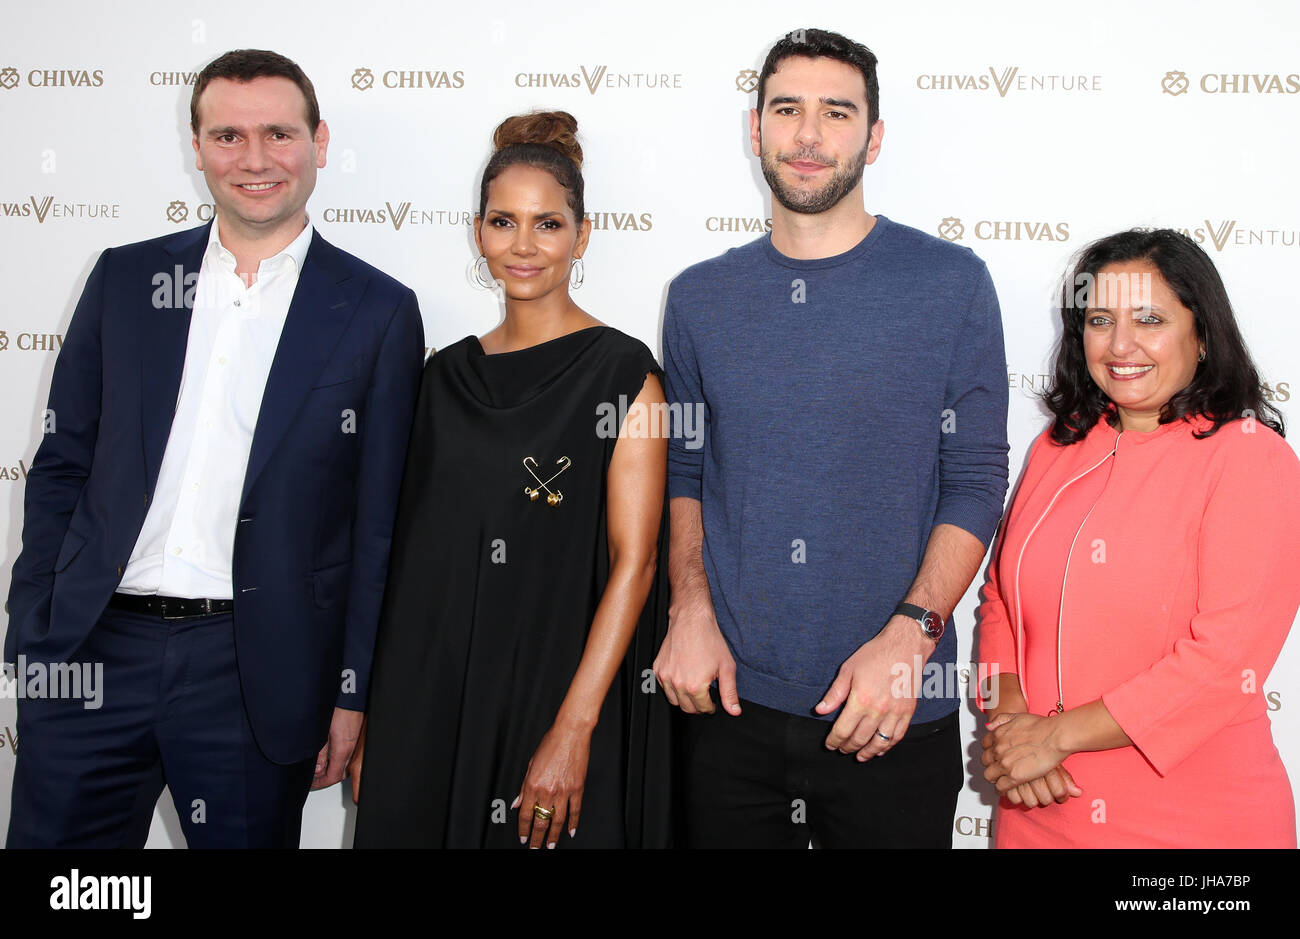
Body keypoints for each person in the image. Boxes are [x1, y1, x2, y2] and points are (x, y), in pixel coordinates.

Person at [3, 49, 425, 848]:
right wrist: (37, 629)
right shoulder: (125, 280)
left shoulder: (377, 311)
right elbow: (62, 464)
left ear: (320, 141)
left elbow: (376, 529)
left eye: (279, 133)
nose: (255, 159)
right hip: (93, 651)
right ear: (196, 148)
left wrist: (352, 691)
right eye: (228, 136)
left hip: (255, 672)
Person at [653, 29, 1009, 848]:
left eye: (836, 112)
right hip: (728, 703)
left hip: (893, 709)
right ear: (755, 130)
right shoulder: (701, 296)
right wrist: (691, 604)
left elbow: (976, 475)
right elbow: (686, 466)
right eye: (787, 110)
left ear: (874, 137)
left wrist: (911, 634)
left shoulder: (950, 283)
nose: (808, 136)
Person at [351, 111, 673, 849]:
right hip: (427, 703)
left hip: (551, 695)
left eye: (548, 224)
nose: (523, 245)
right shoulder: (441, 377)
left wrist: (573, 727)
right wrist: (378, 716)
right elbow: (410, 564)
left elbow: (638, 563)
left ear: (582, 236)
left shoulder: (629, 378)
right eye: (504, 221)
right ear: (478, 232)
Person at [978, 229, 1300, 848]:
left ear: (1202, 334)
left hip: (1191, 818)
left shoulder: (1249, 458)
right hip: (1038, 803)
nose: (1121, 345)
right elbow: (1000, 599)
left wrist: (1056, 735)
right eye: (1101, 320)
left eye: (1150, 319)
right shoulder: (1058, 446)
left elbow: (1225, 658)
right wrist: (1012, 719)